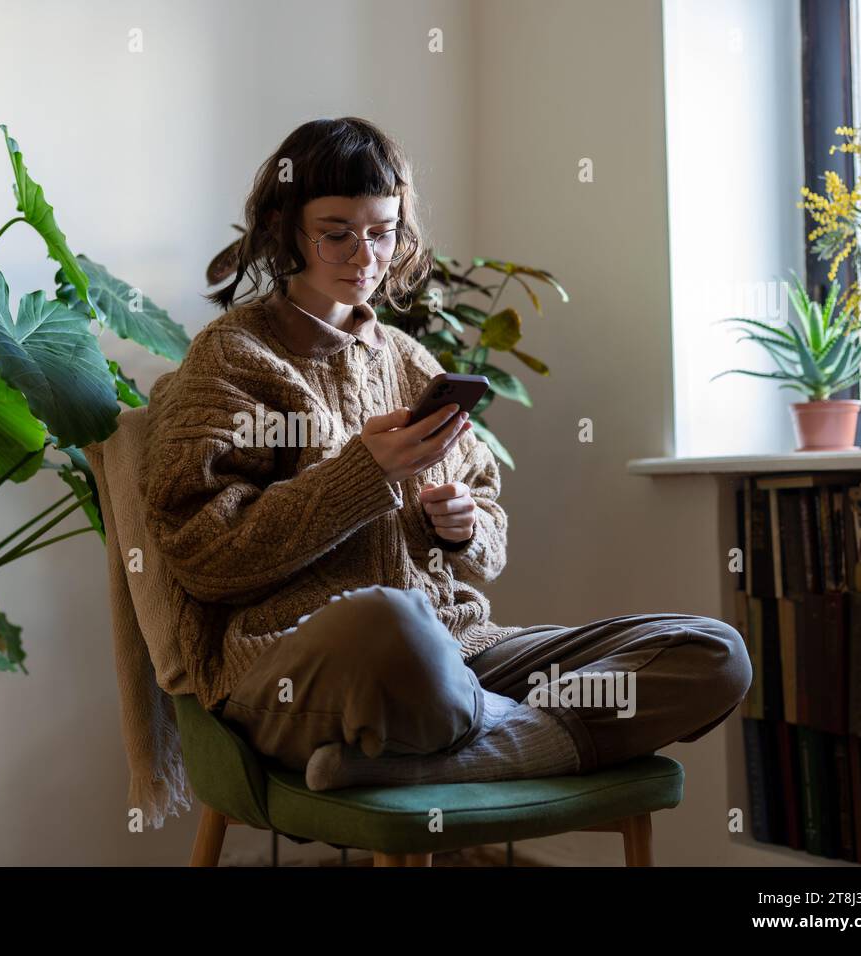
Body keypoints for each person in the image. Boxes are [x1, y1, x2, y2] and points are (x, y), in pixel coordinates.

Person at [139, 116, 751, 791]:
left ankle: (475, 746)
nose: (364, 256)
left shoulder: (410, 361)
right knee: (391, 622)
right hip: (296, 665)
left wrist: (461, 526)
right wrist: (360, 476)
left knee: (713, 654)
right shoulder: (231, 358)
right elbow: (204, 556)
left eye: (382, 232)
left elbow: (488, 528)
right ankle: (517, 730)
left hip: (461, 653)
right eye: (337, 233)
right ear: (286, 228)